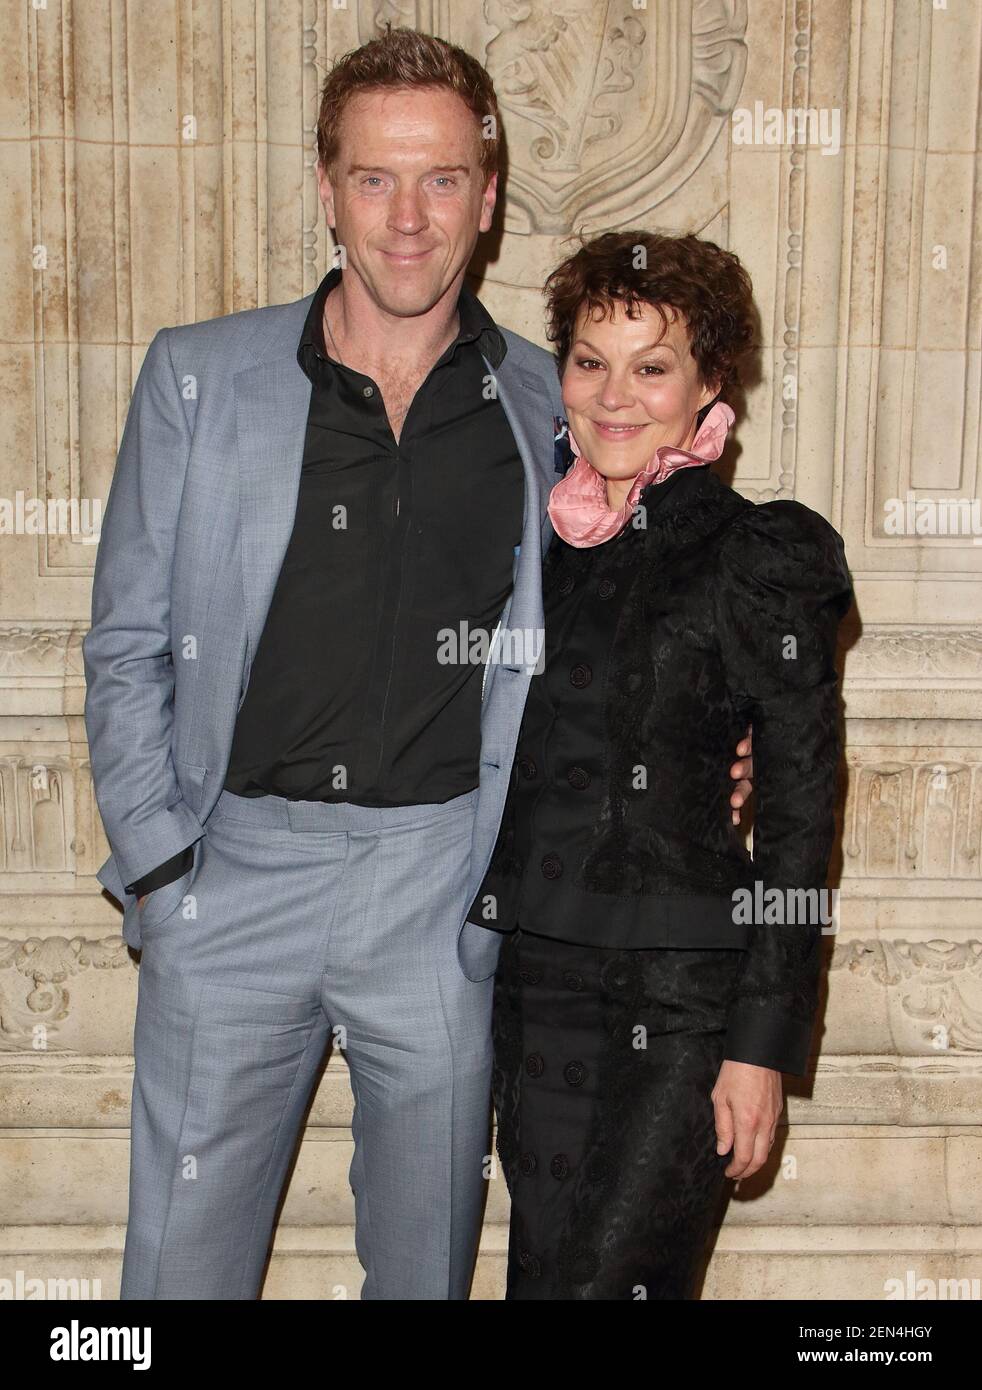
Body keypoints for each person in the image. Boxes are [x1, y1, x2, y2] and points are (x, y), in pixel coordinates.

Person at [82, 31, 753, 1300]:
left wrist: (724, 742)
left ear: (487, 197)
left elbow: (673, 596)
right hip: (231, 875)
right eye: (376, 178)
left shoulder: (558, 402)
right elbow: (122, 646)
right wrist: (167, 880)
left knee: (425, 1277)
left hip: (440, 892)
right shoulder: (195, 379)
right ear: (325, 185)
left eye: (441, 179)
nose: (407, 218)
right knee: (178, 1282)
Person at [466, 230, 854, 1300]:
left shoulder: (758, 554)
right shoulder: (534, 553)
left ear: (708, 383)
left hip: (684, 1004)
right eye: (590, 362)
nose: (615, 396)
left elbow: (798, 814)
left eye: (652, 367)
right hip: (535, 986)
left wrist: (763, 1044)